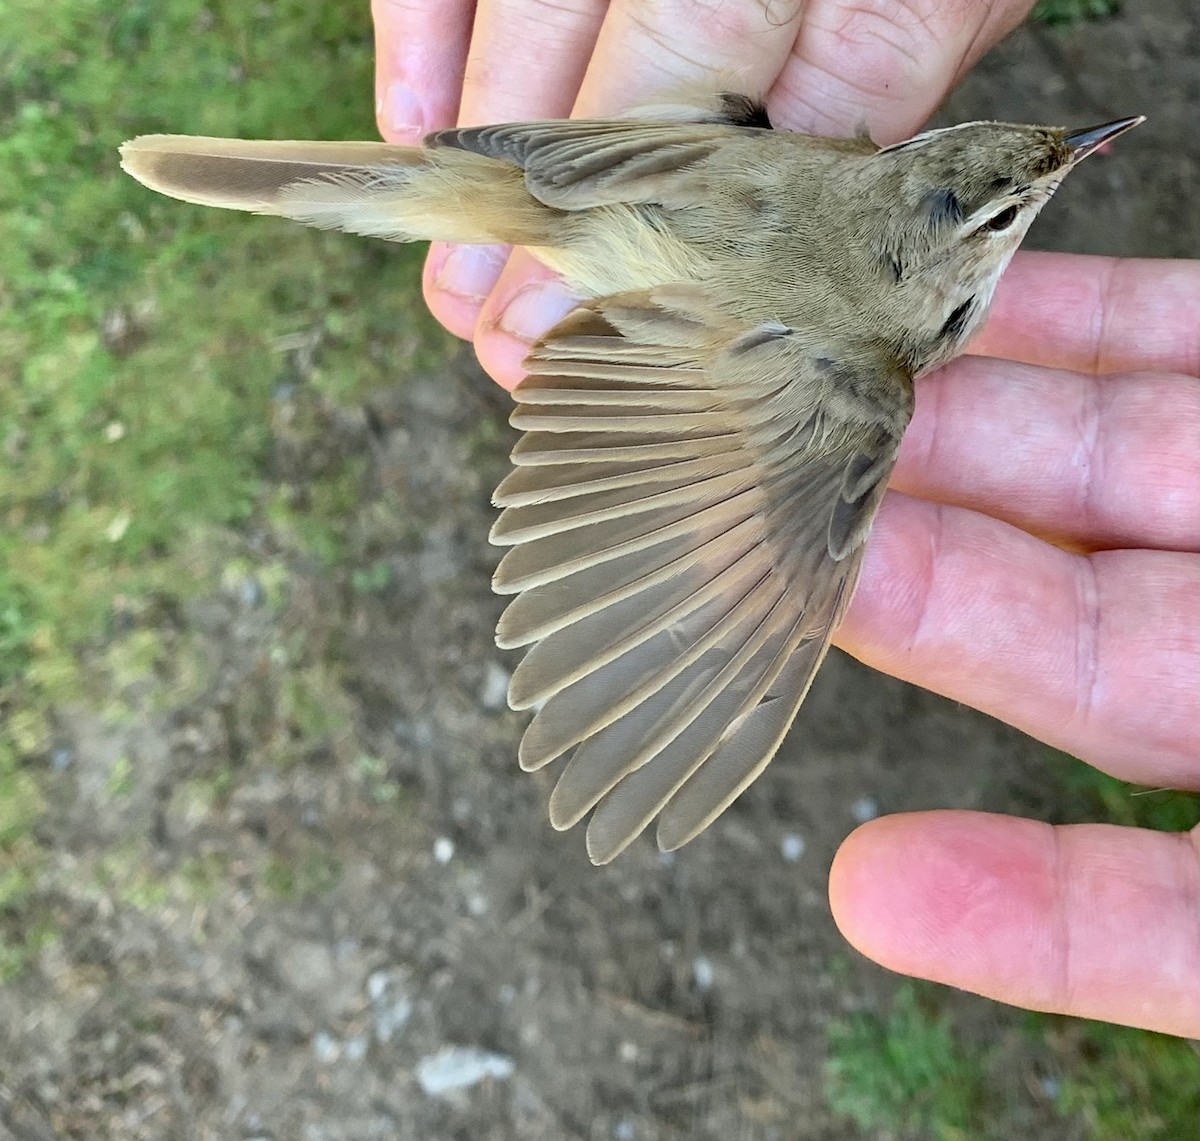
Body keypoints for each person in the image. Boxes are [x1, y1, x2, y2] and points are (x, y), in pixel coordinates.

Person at [369, 0, 1199, 1037]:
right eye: (1009, 210)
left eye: (1029, 192)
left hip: (610, 179)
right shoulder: (858, 368)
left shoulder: (827, 176)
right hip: (615, 222)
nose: (1052, 177)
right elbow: (748, 551)